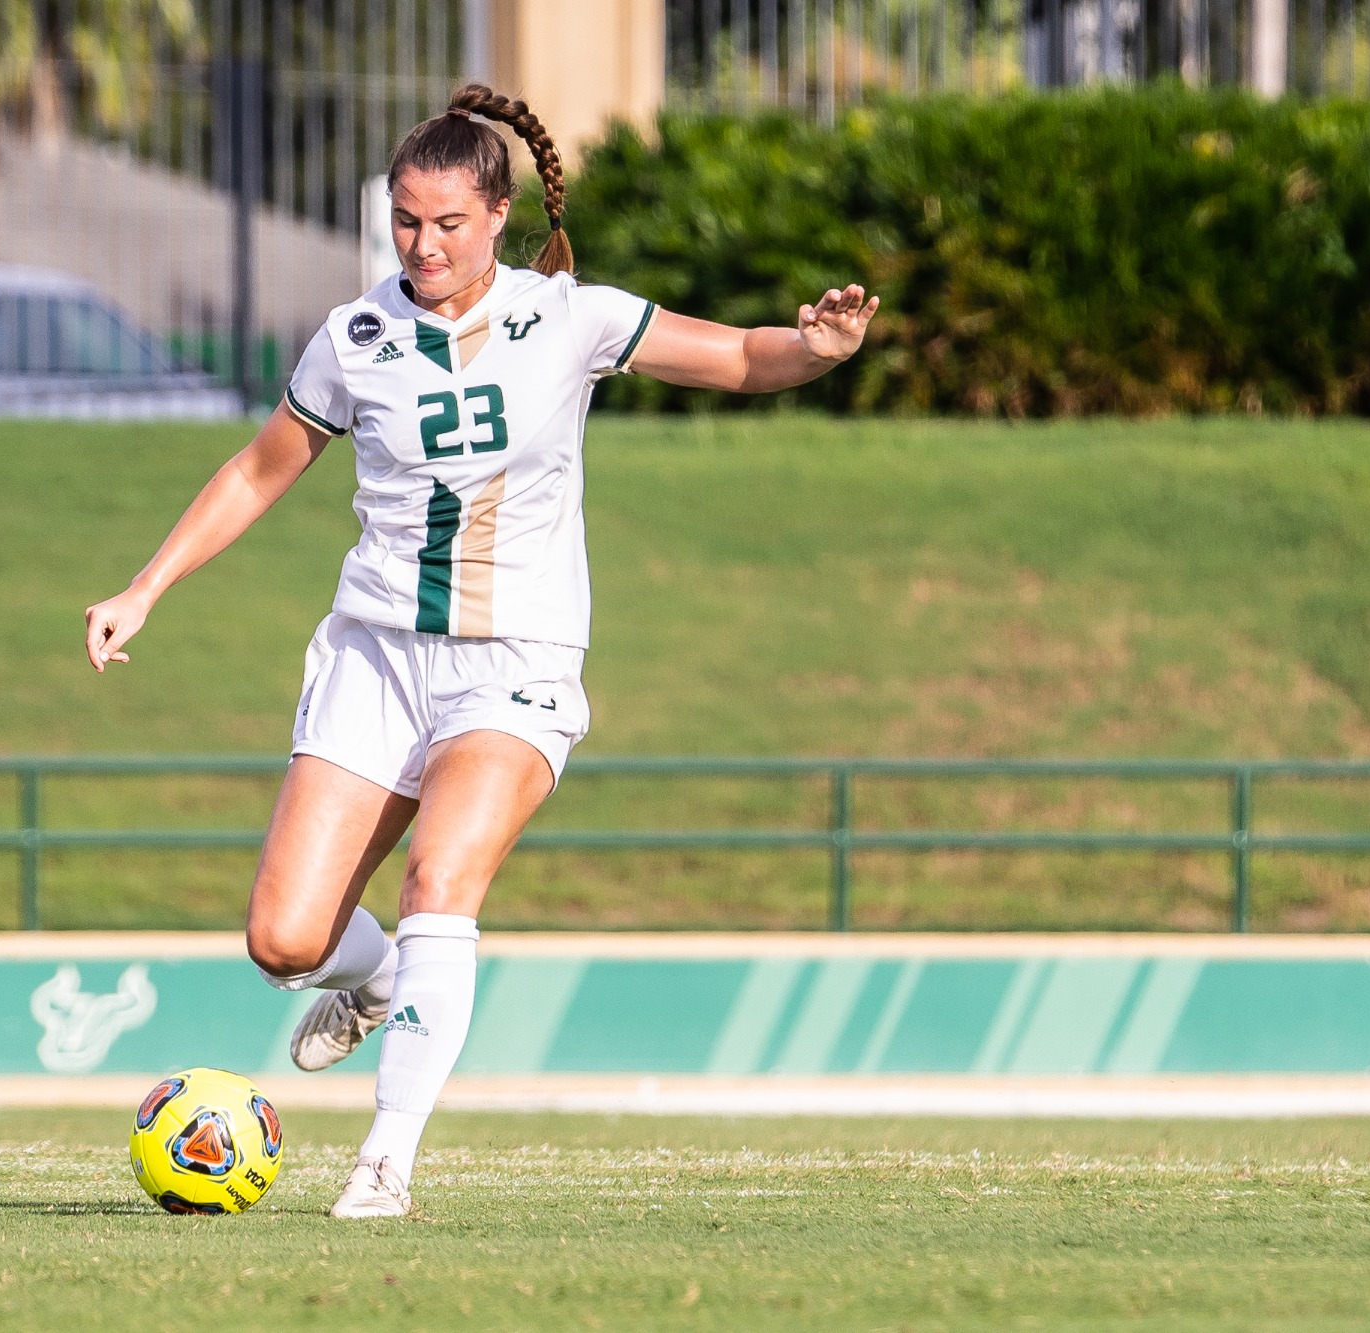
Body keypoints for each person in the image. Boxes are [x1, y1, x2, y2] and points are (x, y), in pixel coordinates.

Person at [84, 84, 878, 1219]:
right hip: (374, 659)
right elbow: (261, 470)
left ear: (497, 214)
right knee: (282, 938)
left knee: (438, 881)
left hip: (513, 661)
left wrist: (817, 348)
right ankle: (377, 987)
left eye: (446, 223)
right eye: (404, 221)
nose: (422, 244)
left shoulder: (571, 318)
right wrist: (144, 587)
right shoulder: (355, 336)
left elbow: (741, 358)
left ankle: (384, 1160)